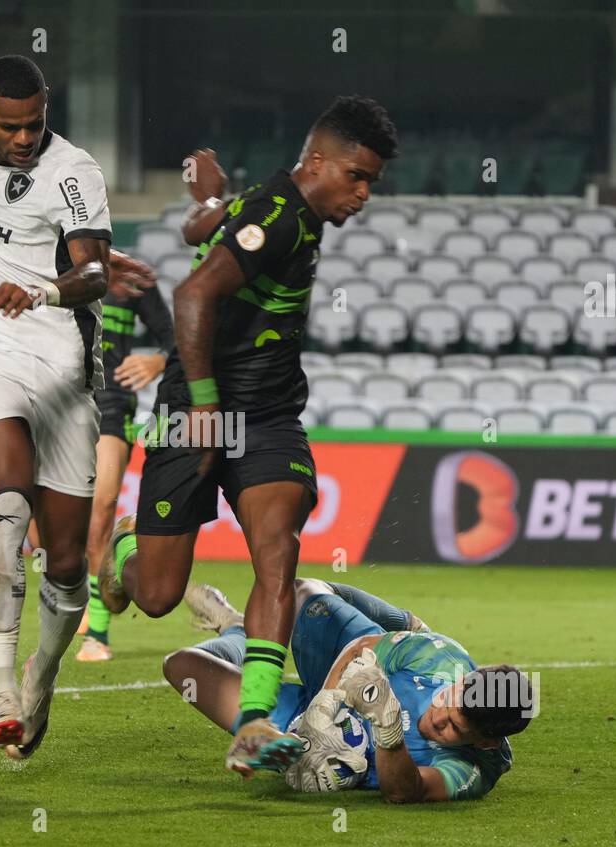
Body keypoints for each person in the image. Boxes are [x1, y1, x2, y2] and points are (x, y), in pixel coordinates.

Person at [98, 96, 399, 776]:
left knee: (278, 550)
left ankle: (254, 719)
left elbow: (209, 232)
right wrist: (204, 404)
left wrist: (210, 201)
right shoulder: (282, 218)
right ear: (316, 162)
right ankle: (121, 554)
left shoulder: (288, 212)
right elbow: (193, 295)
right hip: (197, 407)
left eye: (372, 181)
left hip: (266, 417)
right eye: (356, 175)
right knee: (156, 595)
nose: (363, 193)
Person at [0, 53, 146, 760]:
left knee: (65, 561)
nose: (24, 138)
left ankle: (41, 679)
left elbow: (95, 270)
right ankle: (0, 692)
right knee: (7, 505)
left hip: (61, 360)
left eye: (35, 124)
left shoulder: (74, 171)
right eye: (10, 126)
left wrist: (43, 291)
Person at [165, 580, 534, 800]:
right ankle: (403, 621)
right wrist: (324, 707)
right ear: (462, 681)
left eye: (453, 727)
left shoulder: (477, 767)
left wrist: (389, 732)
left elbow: (405, 793)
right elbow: (362, 647)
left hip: (311, 733)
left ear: (484, 741)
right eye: (447, 700)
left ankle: (236, 631)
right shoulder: (441, 659)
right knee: (300, 592)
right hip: (338, 676)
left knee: (181, 667)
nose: (438, 717)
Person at [75, 283, 174, 662]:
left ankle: (97, 634)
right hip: (59, 398)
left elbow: (174, 339)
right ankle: (82, 589)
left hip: (111, 400)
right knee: (44, 525)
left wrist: (158, 361)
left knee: (101, 508)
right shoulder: (50, 266)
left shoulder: (132, 277)